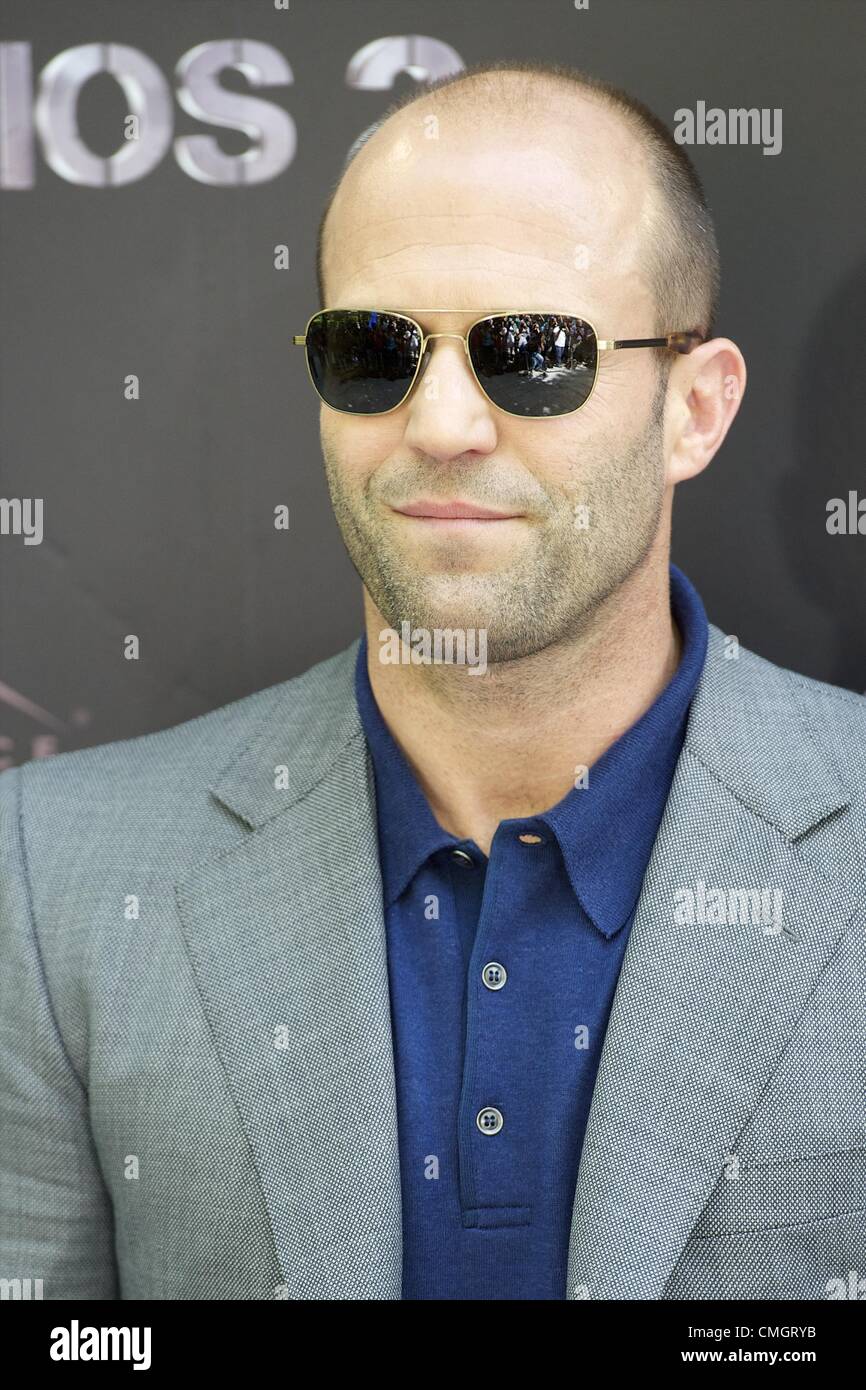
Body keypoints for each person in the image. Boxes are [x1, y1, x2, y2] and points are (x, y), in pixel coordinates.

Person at [2, 59, 865, 1303]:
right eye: (374, 350)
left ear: (694, 408)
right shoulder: (55, 883)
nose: (443, 423)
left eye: (531, 351)